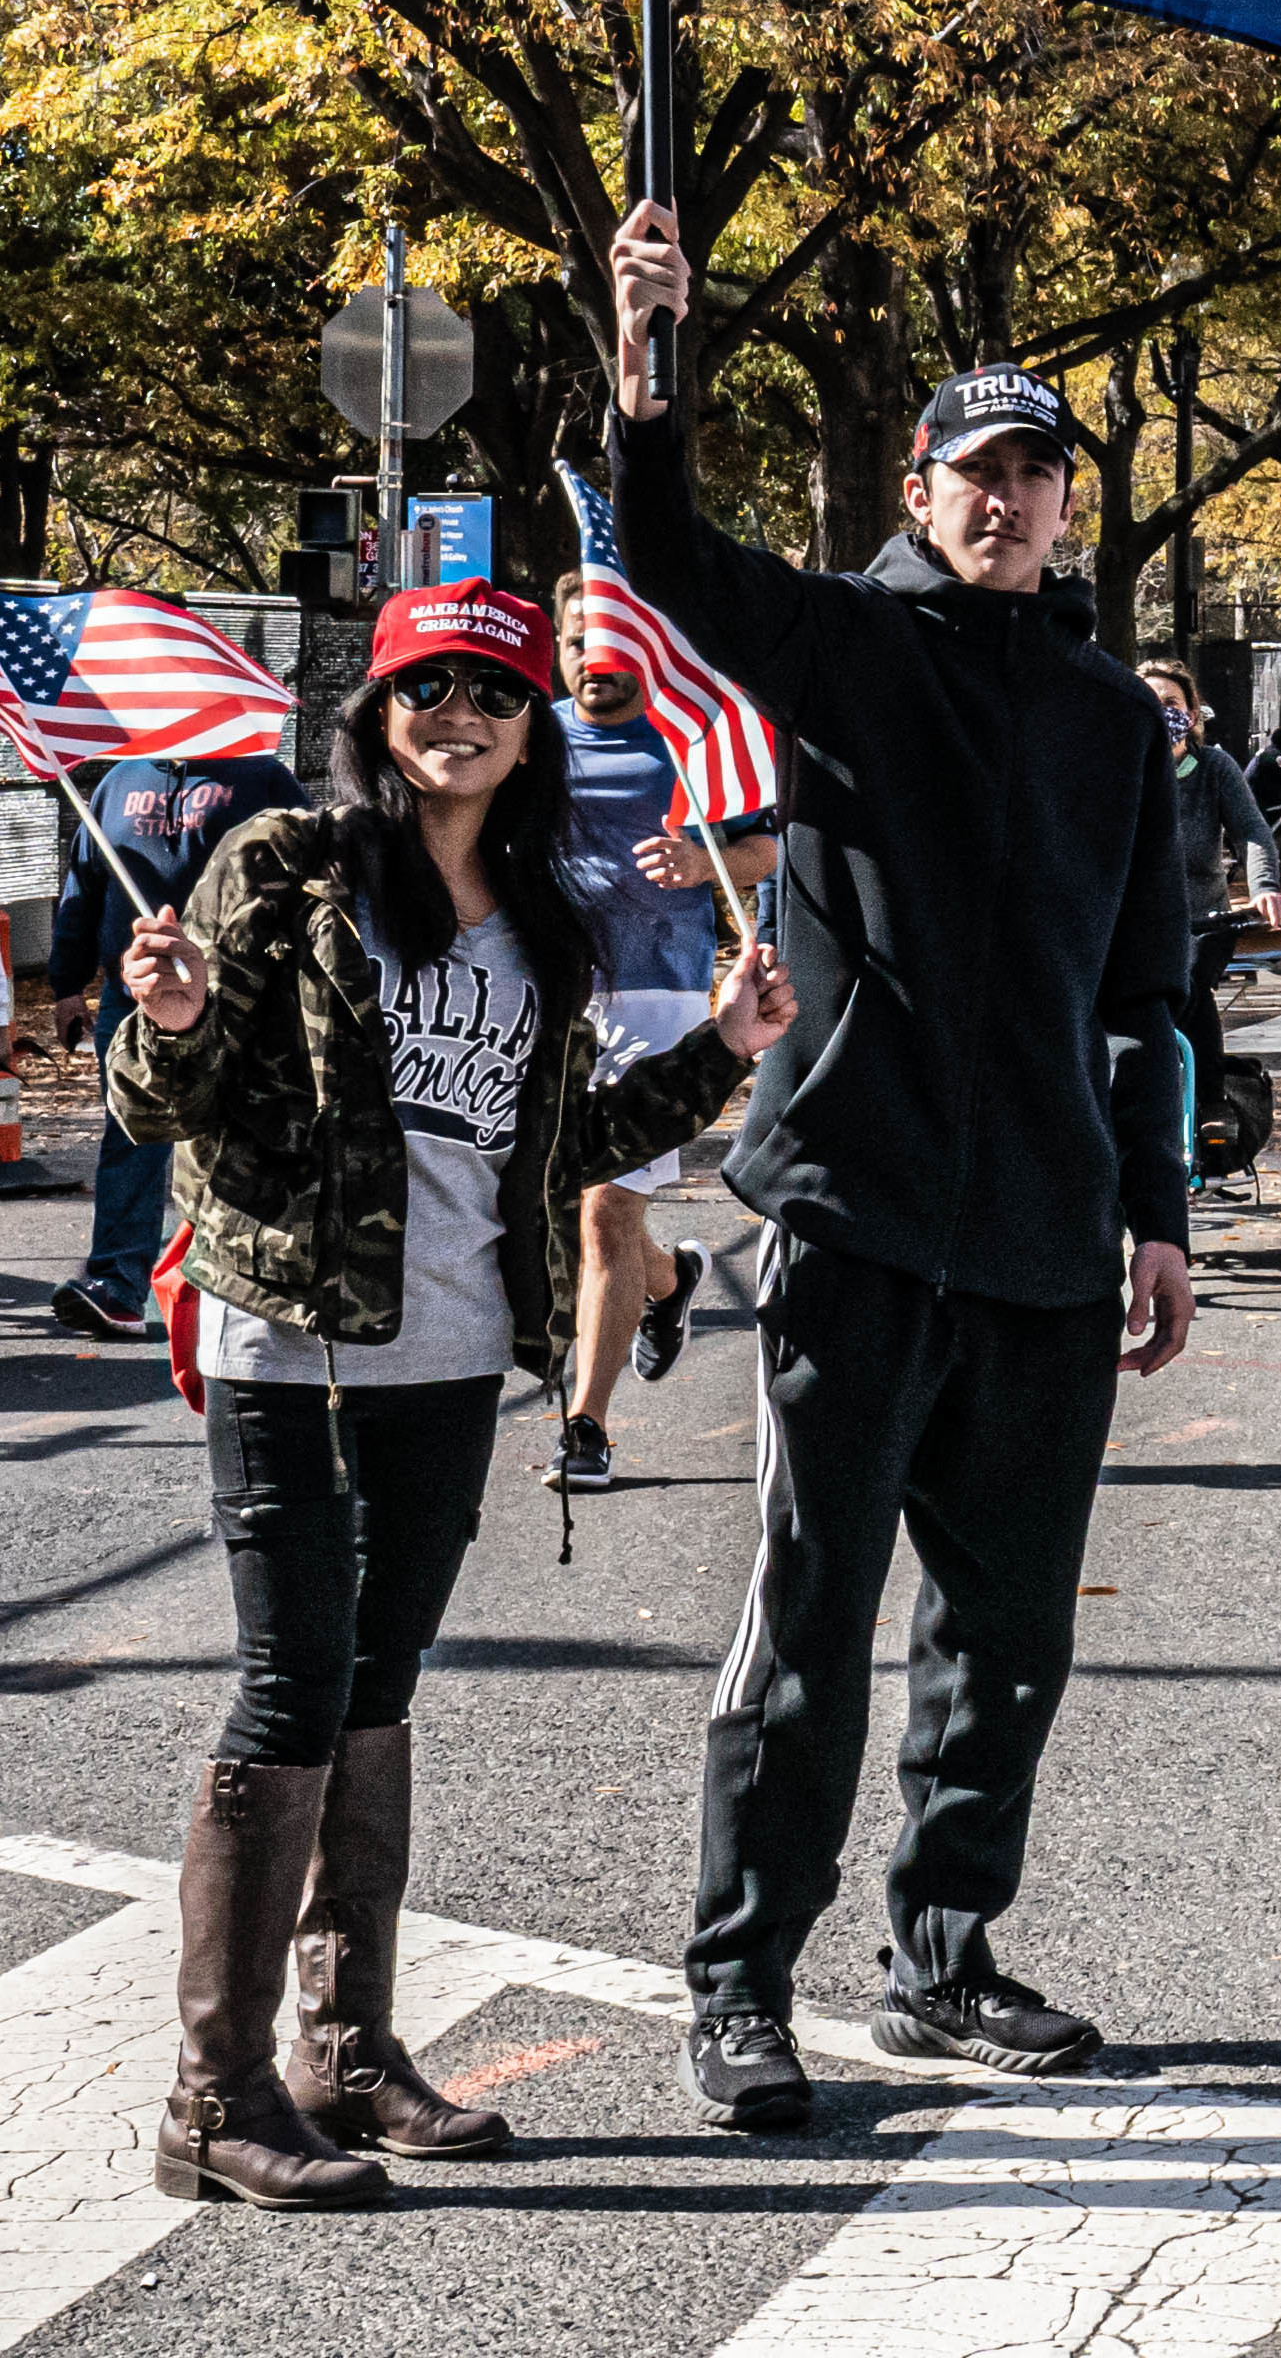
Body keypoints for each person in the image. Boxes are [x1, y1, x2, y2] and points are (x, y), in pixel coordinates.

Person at [605, 207, 1196, 2133]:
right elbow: (673, 559)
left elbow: (1147, 992)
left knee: (1004, 1635)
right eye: (982, 475)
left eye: (1041, 478)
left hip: (1041, 1238)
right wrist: (649, 365)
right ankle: (739, 1981)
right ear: (925, 492)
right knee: (811, 1621)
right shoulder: (851, 653)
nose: (1014, 504)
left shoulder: (1116, 720)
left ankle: (942, 1955)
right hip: (853, 1218)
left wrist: (1160, 1215)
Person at [109, 581, 781, 2209]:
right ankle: (214, 2094)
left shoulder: (545, 919)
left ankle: (346, 2052)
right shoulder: (294, 868)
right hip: (298, 1342)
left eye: (493, 687)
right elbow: (154, 1108)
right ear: (380, 715)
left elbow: (558, 1145)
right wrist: (173, 1020)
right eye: (427, 687)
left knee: (378, 1687)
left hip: (458, 1351)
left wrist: (718, 1049)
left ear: (535, 722)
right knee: (289, 1684)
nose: (456, 712)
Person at [542, 577, 776, 1495]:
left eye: (607, 643)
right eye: (573, 644)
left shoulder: (697, 737)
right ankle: (670, 1283)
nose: (592, 661)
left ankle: (584, 1428)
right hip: (550, 994)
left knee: (603, 1208)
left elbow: (773, 846)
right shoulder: (531, 737)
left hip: (660, 995)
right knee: (565, 1192)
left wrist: (700, 862)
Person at [39, 744, 306, 1339]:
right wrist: (65, 985)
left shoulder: (263, 778)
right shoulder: (115, 782)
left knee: (238, 1133)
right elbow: (84, 885)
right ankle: (117, 1283)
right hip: (133, 992)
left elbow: (316, 884)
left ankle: (242, 1281)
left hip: (242, 991)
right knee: (135, 1129)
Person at [1139, 657, 1281, 1118]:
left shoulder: (1215, 768)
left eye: (1171, 702)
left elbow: (1253, 831)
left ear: (1191, 711)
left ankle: (1210, 1107)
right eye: (1149, 702)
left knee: (1186, 985)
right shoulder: (1116, 768)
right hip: (1138, 922)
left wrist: (1264, 886)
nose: (1160, 711)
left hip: (1203, 919)